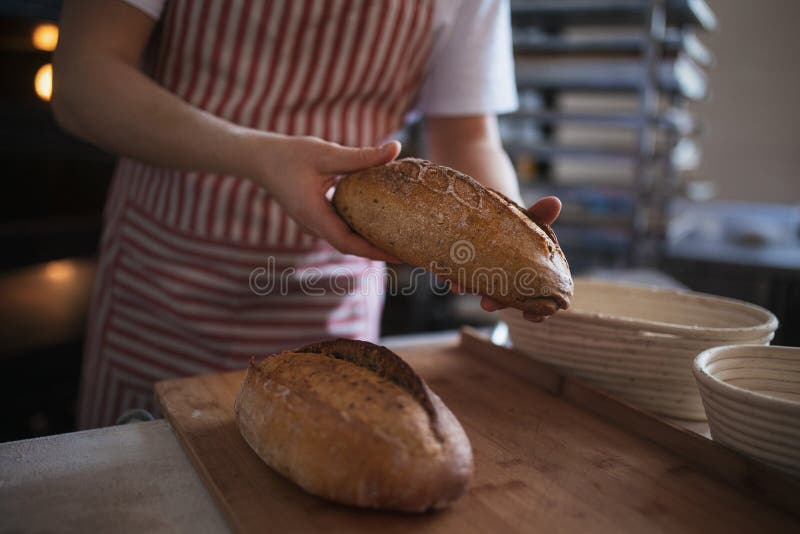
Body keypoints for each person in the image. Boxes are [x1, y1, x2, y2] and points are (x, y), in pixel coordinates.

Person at [53, 0, 562, 429]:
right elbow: (83, 79)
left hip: (334, 297)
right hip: (165, 289)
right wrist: (257, 155)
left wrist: (503, 240)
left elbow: (467, 134)